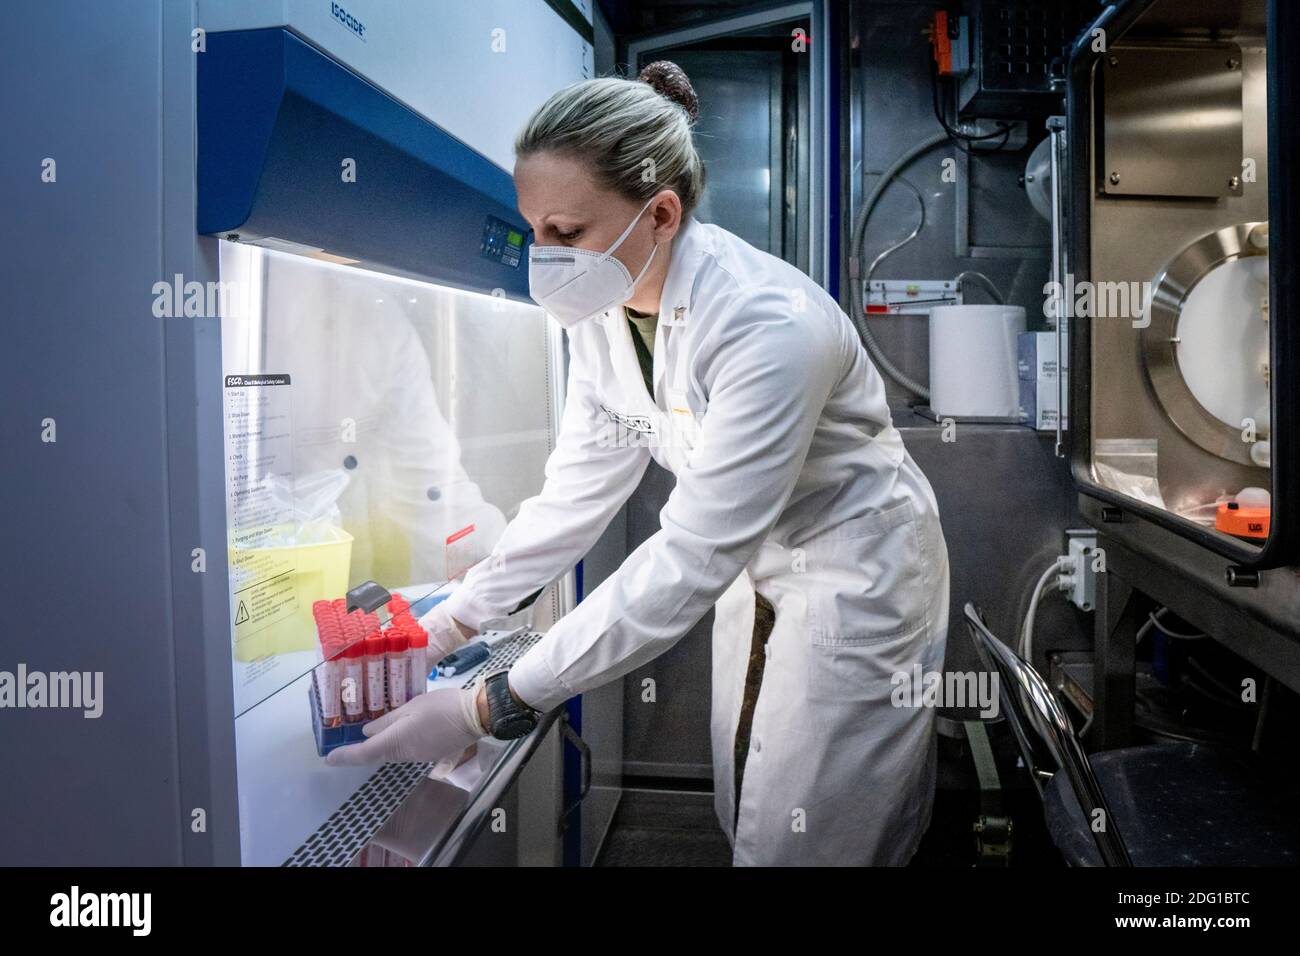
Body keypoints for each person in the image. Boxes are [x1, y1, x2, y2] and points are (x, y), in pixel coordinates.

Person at [327, 61, 951, 867]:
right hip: (754, 572)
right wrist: (452, 618)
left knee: (817, 835)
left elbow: (691, 553)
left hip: (854, 574)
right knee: (751, 802)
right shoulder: (605, 308)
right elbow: (578, 490)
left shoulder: (767, 326)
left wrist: (490, 704)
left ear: (660, 213)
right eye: (533, 231)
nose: (544, 257)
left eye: (567, 233)